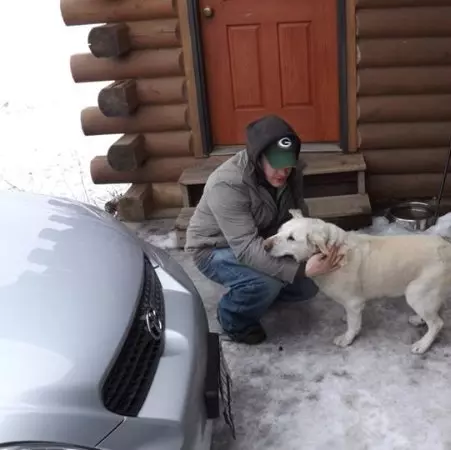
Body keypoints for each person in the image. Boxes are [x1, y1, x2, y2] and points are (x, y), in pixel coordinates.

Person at [185, 114, 343, 344]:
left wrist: (315, 249)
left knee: (308, 287)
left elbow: (299, 215)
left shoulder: (291, 172)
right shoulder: (228, 184)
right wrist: (301, 270)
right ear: (258, 158)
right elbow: (247, 249)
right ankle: (233, 318)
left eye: (288, 166)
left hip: (261, 238)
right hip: (214, 249)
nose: (283, 173)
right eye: (276, 165)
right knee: (267, 281)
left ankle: (260, 292)